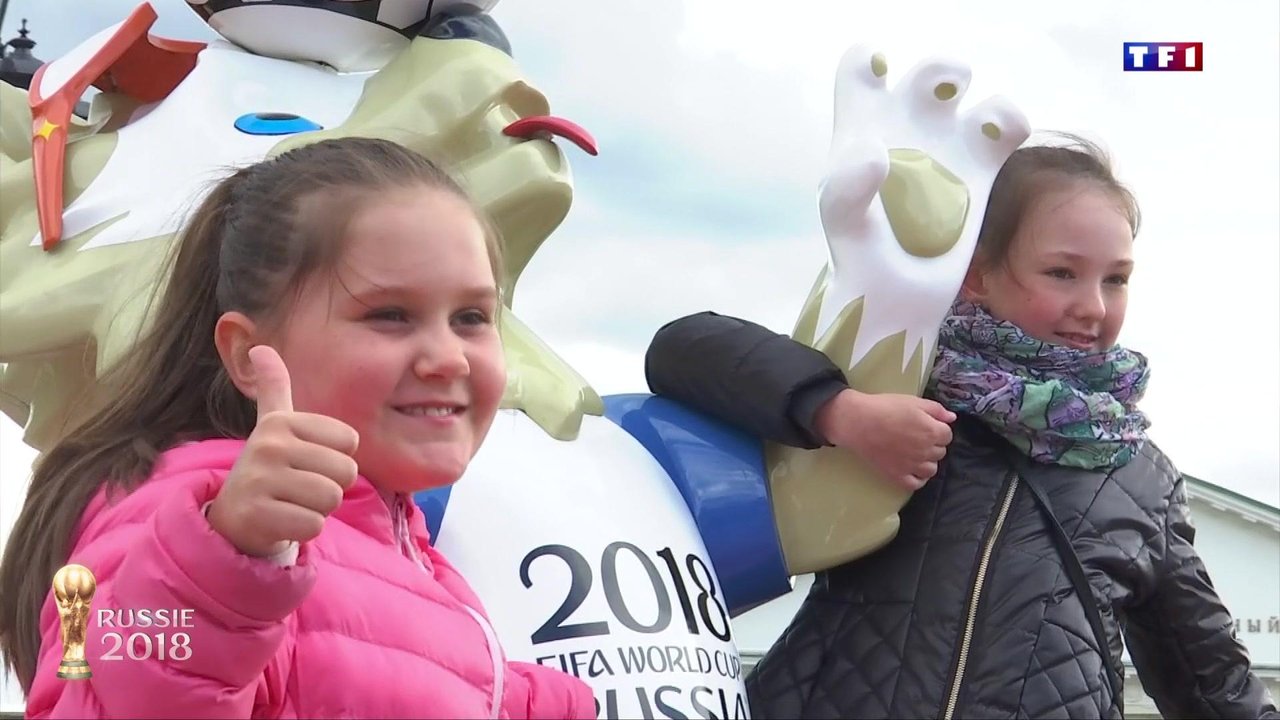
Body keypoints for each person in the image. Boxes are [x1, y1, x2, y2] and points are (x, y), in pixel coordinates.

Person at [646, 137, 1278, 719]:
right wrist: (841, 411)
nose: (1093, 306)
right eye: (1062, 272)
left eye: (1116, 279)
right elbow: (680, 349)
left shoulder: (1141, 475)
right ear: (977, 274)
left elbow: (1212, 684)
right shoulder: (894, 386)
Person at [0, 137, 596, 718]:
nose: (448, 357)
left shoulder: (407, 558)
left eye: (470, 317)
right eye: (389, 315)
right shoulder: (192, 515)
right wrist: (224, 561)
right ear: (247, 353)